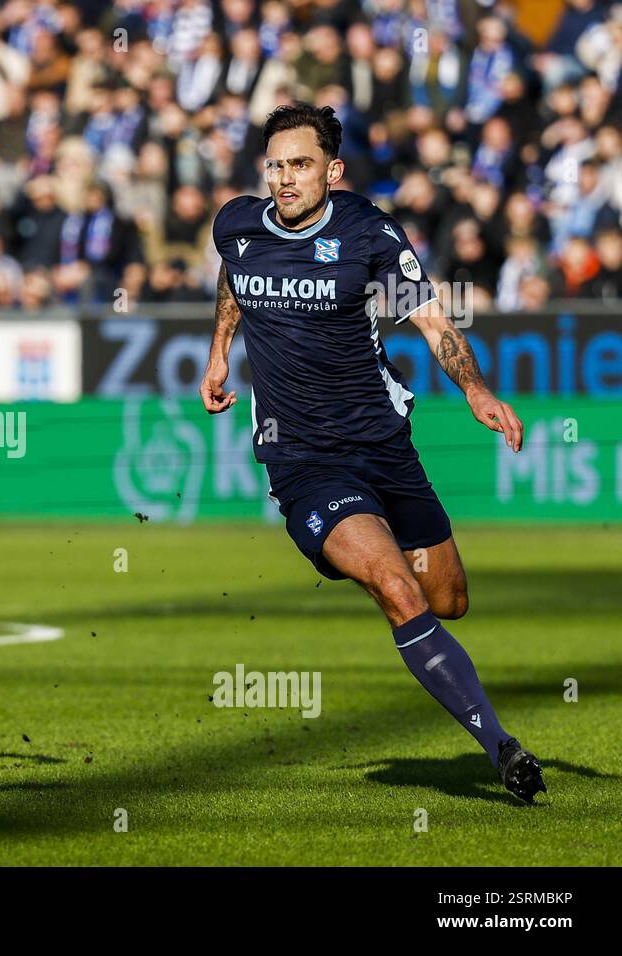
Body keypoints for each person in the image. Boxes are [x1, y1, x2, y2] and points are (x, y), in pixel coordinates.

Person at [200, 103, 546, 803]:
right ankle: (502, 749)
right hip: (302, 461)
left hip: (385, 447)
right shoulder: (236, 225)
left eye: (300, 165)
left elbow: (431, 318)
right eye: (276, 165)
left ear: (332, 170)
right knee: (396, 588)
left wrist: (475, 391)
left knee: (447, 599)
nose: (285, 179)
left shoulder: (369, 234)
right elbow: (233, 281)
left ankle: (383, 555)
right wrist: (218, 357)